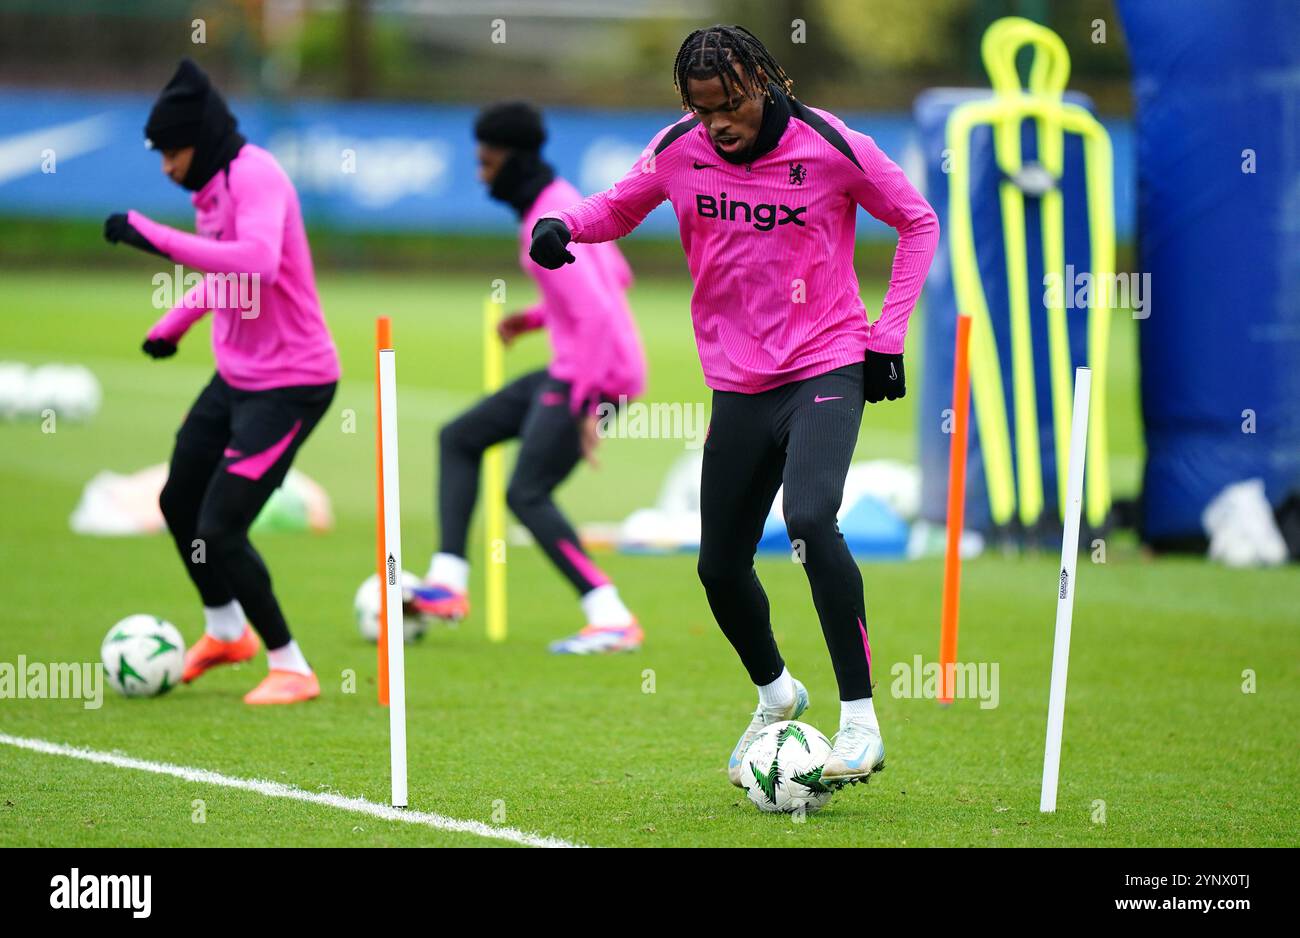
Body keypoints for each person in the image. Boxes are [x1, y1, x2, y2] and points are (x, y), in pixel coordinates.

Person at [529, 26, 938, 785]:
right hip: (737, 383)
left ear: (765, 82)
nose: (718, 122)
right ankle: (777, 694)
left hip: (826, 361)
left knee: (811, 518)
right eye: (702, 107)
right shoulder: (680, 147)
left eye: (730, 105)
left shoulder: (830, 145)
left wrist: (887, 336)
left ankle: (860, 722)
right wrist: (566, 228)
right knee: (719, 568)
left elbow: (917, 220)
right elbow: (621, 206)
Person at [103, 58, 340, 704]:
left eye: (171, 152)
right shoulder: (210, 190)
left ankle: (291, 665)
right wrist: (175, 323)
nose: (166, 168)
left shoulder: (257, 175)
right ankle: (225, 631)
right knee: (178, 503)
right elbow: (226, 273)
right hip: (236, 377)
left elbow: (258, 264)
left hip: (293, 383)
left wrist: (152, 236)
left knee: (220, 529)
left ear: (199, 141)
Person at [412, 102, 648, 655]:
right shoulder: (563, 201)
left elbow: (594, 311)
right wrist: (537, 315)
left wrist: (591, 405)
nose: (481, 174)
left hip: (598, 374)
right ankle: (447, 581)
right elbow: (617, 275)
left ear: (512, 159)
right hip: (583, 365)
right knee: (460, 437)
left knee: (526, 492)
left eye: (487, 162)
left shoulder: (545, 219)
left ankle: (610, 615)